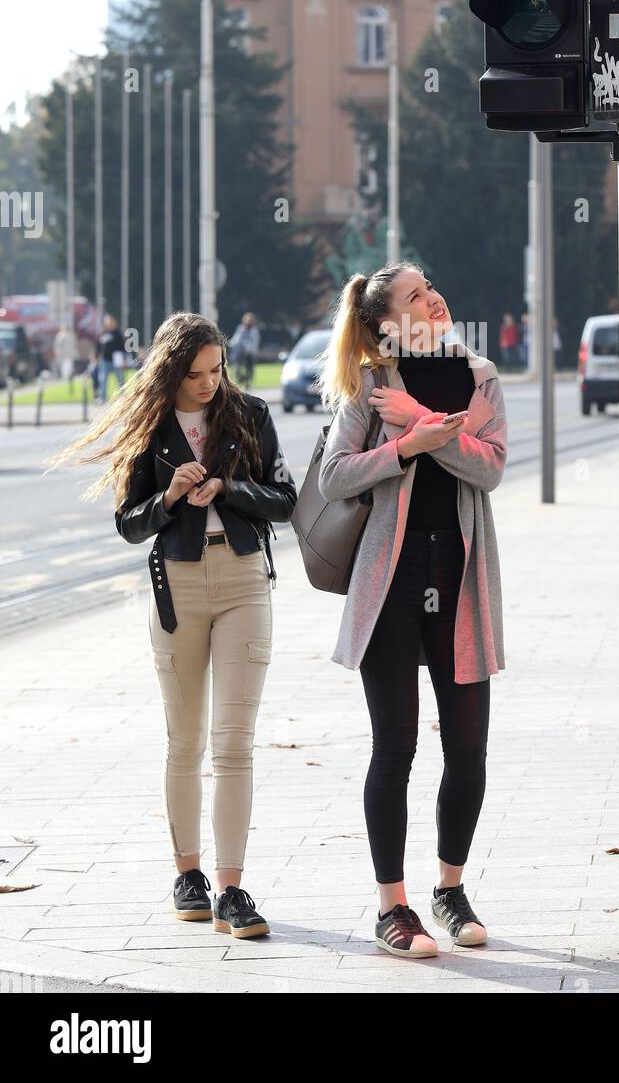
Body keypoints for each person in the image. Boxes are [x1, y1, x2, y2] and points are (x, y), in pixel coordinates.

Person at [43, 312, 297, 939]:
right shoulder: (153, 426)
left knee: (234, 740)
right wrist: (170, 498)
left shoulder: (250, 414)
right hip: (177, 589)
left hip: (242, 582)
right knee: (185, 741)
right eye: (197, 373)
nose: (211, 383)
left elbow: (285, 500)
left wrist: (226, 488)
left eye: (217, 369)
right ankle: (189, 875)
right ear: (171, 371)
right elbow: (130, 522)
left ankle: (233, 889)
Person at [316, 261, 506, 960]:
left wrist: (429, 427)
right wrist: (402, 447)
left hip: (460, 577)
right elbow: (334, 476)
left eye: (432, 284)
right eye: (417, 294)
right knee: (395, 747)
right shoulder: (372, 386)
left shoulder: (479, 376)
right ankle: (392, 907)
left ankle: (450, 890)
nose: (435, 295)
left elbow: (489, 467)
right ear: (391, 323)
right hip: (389, 578)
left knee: (469, 746)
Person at [95, 313, 127, 403]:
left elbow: (123, 347)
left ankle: (123, 396)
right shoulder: (102, 333)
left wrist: (124, 359)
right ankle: (102, 397)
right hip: (105, 360)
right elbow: (98, 346)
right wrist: (96, 356)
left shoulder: (117, 333)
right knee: (103, 379)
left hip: (116, 360)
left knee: (120, 378)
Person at [229, 311, 260, 388]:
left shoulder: (254, 330)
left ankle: (248, 382)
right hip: (241, 352)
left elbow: (255, 342)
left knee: (249, 369)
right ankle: (239, 380)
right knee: (238, 367)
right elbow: (237, 339)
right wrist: (231, 343)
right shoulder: (241, 329)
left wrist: (252, 351)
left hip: (250, 353)